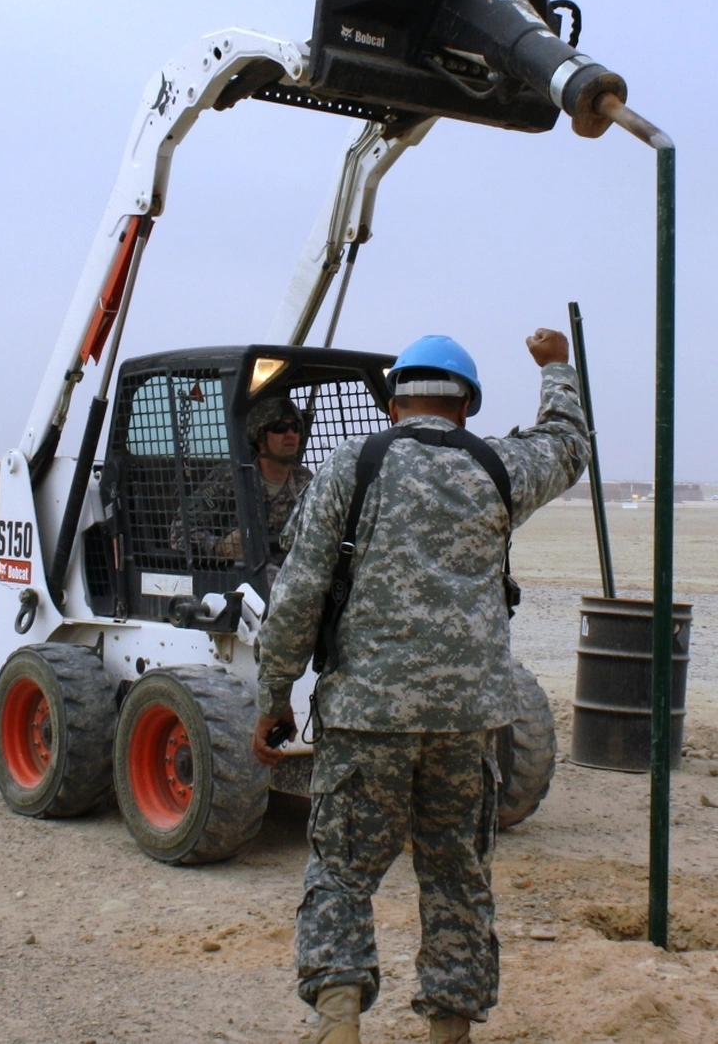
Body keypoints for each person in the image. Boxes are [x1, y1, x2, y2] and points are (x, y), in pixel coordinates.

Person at [251, 330, 590, 1044]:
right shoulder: (498, 465)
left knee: (342, 870)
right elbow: (567, 444)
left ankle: (339, 1019)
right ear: (466, 402)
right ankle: (449, 1027)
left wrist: (274, 696)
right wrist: (556, 366)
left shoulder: (353, 465)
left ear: (392, 400)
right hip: (467, 722)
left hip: (366, 714)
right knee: (456, 872)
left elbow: (299, 593)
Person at [170, 395, 313, 570]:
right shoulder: (230, 478)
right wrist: (219, 547)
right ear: (260, 439)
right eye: (280, 427)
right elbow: (179, 530)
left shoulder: (306, 481)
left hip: (294, 575)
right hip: (242, 580)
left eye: (296, 427)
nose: (291, 434)